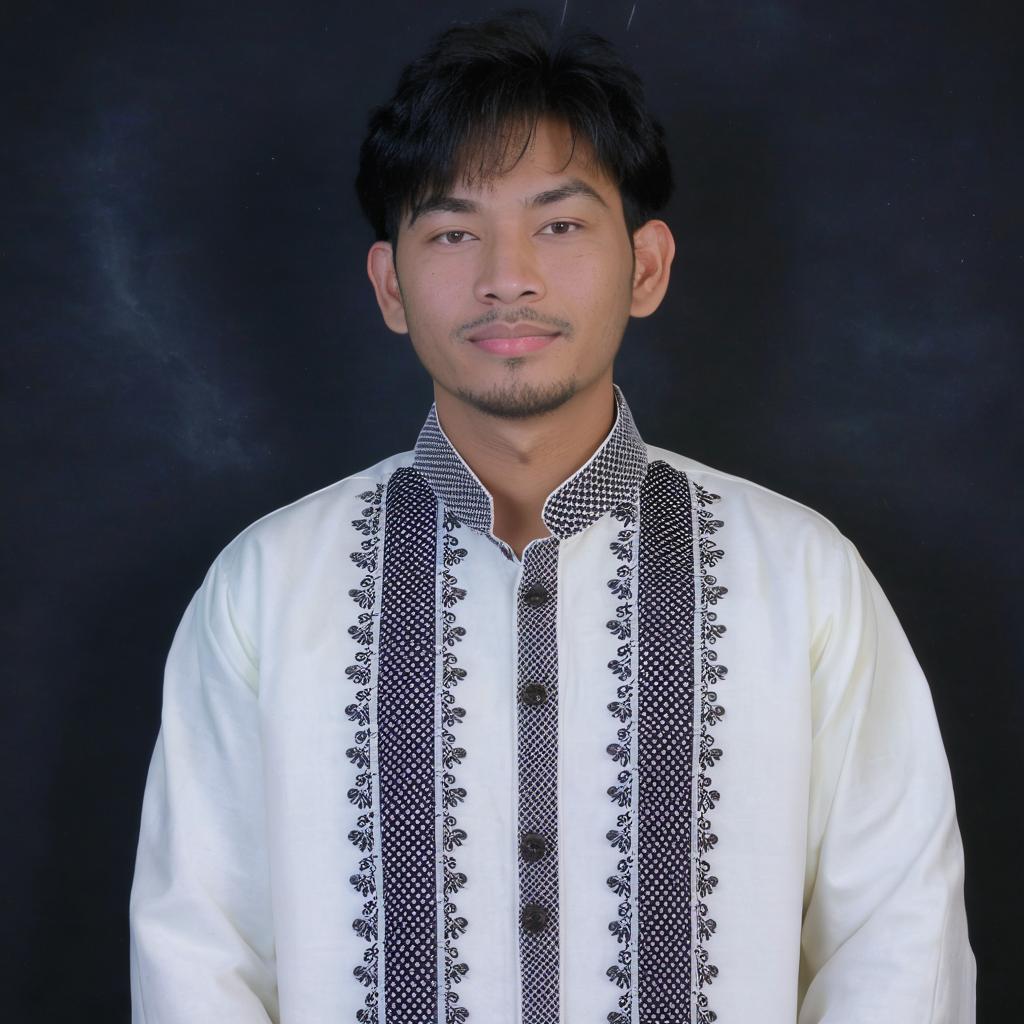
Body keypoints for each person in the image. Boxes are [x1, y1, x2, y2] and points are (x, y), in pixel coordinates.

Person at [128, 9, 976, 1023]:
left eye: (560, 223)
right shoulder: (267, 586)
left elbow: (896, 941)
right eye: (452, 231)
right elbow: (199, 953)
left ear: (647, 266)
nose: (507, 276)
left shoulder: (802, 577)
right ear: (391, 286)